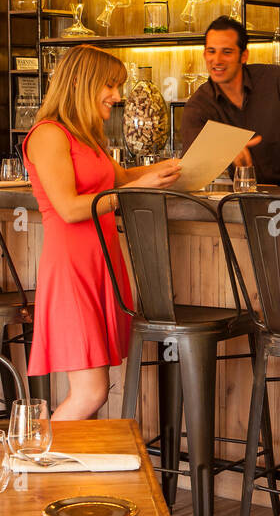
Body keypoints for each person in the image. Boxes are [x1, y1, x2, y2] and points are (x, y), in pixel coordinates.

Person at [21, 45, 180, 421]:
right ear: (79, 82)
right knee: (91, 393)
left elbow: (120, 179)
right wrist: (136, 191)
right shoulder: (48, 134)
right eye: (109, 85)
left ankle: (64, 472)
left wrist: (172, 167)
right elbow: (71, 208)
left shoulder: (86, 137)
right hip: (73, 271)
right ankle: (32, 464)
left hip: (101, 265)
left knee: (94, 389)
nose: (118, 96)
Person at [179, 16, 280, 186]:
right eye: (211, 51)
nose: (217, 60)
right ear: (205, 54)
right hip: (245, 196)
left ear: (244, 56)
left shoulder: (277, 81)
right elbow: (191, 168)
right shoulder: (199, 106)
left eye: (226, 52)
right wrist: (222, 149)